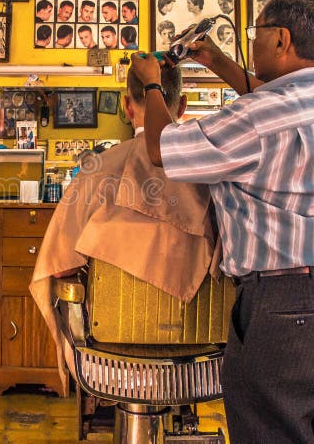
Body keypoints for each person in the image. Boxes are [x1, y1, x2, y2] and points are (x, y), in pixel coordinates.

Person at [131, 0, 314, 443]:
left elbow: (162, 148)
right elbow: (274, 101)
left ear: (282, 39)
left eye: (256, 31)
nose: (253, 39)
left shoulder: (258, 117)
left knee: (272, 431)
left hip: (289, 305)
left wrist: (152, 84)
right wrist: (217, 61)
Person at [29, 65, 219, 395]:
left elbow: (59, 267)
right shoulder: (214, 173)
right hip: (205, 363)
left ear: (127, 106)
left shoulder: (95, 172)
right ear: (183, 106)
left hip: (107, 363)